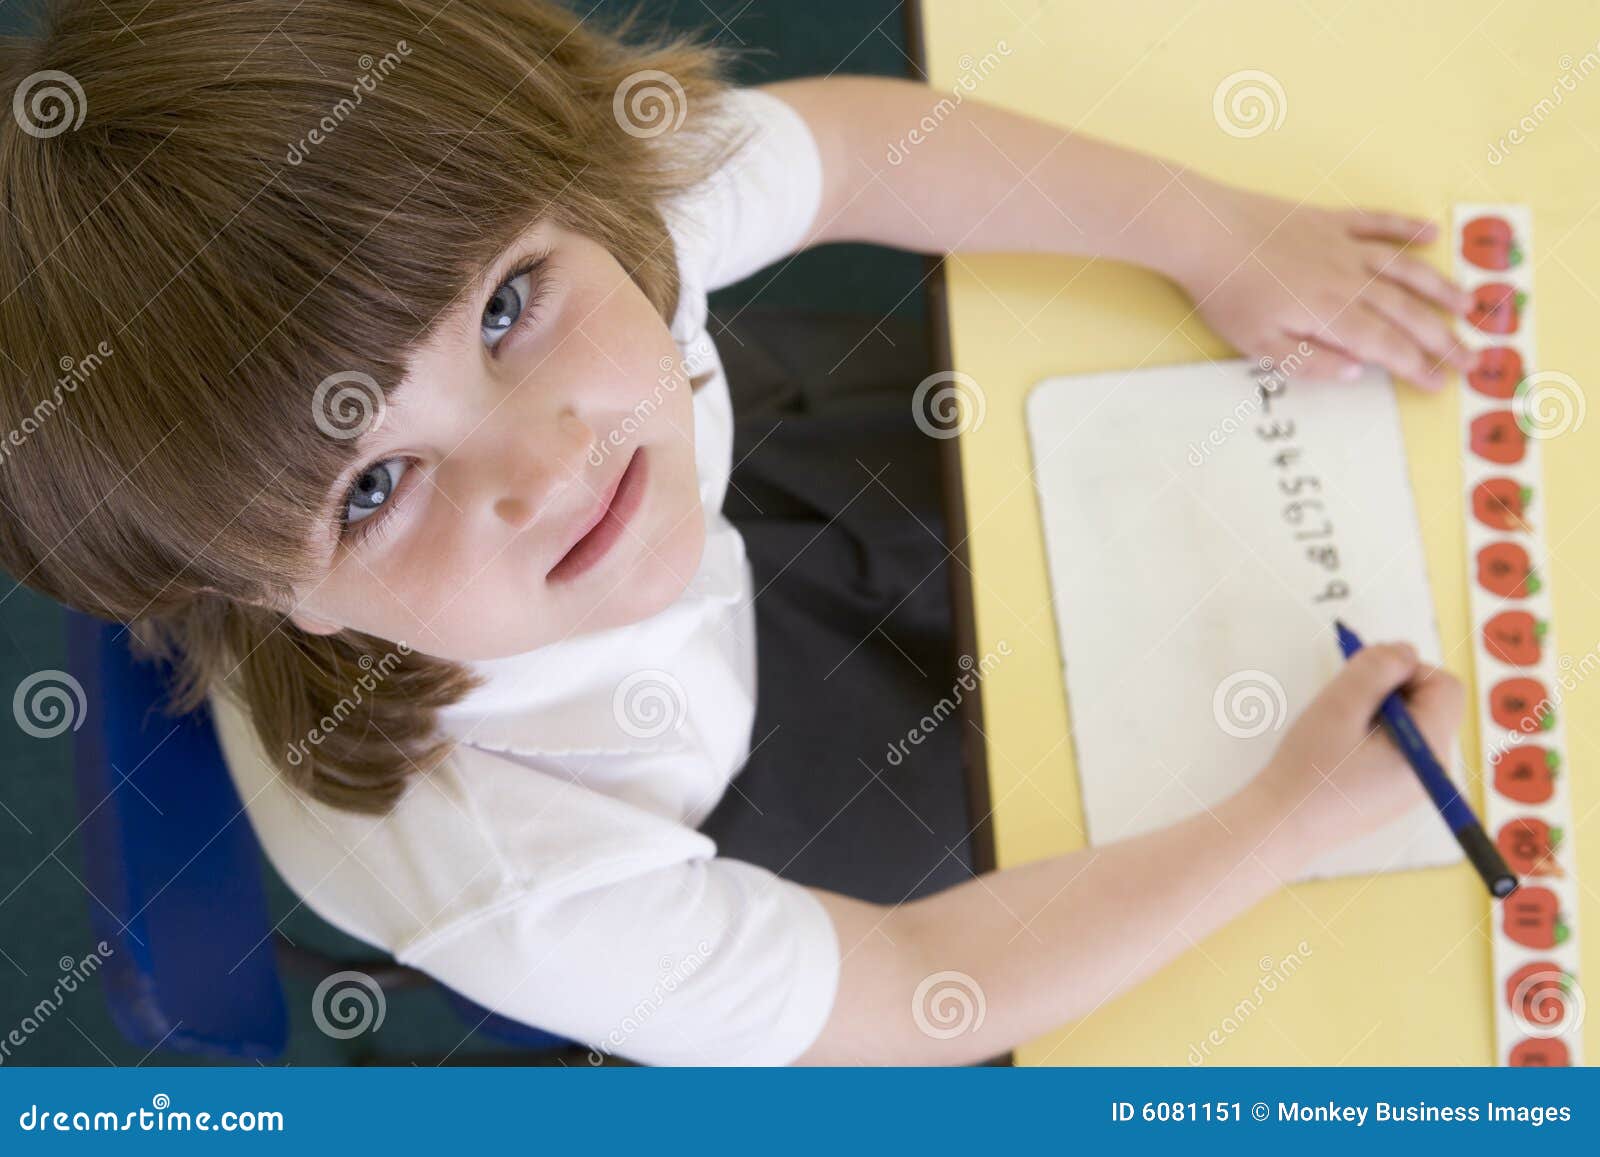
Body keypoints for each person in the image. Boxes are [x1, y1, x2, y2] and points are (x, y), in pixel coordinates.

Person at [0, 0, 1468, 1064]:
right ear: (266, 594)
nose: (547, 460)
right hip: (718, 796)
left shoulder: (580, 203)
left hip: (744, 510)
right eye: (373, 485)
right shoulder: (519, 876)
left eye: (509, 310)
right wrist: (1279, 823)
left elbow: (856, 146)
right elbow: (909, 980)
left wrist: (1214, 231)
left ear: (571, 186)